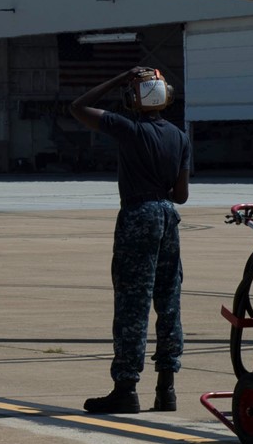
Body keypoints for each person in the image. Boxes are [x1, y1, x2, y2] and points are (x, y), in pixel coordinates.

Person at [71, 67, 190, 414]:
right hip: (168, 217)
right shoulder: (180, 137)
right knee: (169, 301)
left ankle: (126, 387)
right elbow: (181, 195)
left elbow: (78, 107)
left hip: (138, 215)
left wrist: (116, 77)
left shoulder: (130, 129)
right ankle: (166, 389)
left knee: (132, 304)